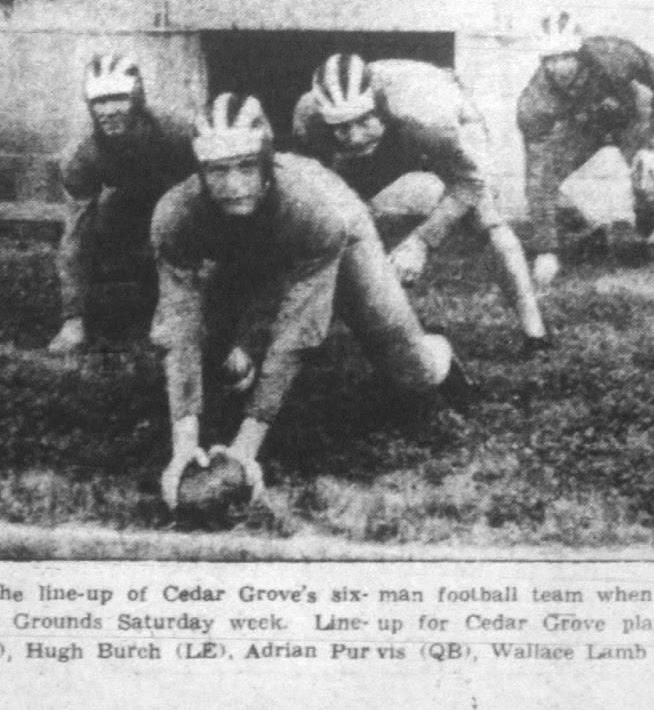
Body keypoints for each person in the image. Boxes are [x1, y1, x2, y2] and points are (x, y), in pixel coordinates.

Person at [154, 93, 470, 509]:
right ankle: (240, 368)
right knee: (204, 342)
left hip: (336, 230)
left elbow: (298, 333)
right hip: (251, 242)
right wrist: (184, 445)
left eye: (246, 167)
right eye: (217, 171)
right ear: (198, 171)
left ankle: (437, 351)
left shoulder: (314, 212)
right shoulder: (175, 214)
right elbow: (179, 326)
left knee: (412, 374)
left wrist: (245, 447)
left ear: (266, 162)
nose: (233, 186)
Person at [292, 53, 551, 352]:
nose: (355, 136)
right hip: (392, 133)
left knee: (487, 221)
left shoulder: (425, 115)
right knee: (333, 219)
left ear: (376, 102)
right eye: (342, 126)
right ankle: (324, 329)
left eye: (363, 120)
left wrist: (421, 241)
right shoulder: (309, 116)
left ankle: (536, 335)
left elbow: (470, 181)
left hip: (445, 123)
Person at [48, 53, 196, 353]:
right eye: (99, 101)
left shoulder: (180, 132)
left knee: (179, 224)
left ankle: (175, 305)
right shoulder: (82, 153)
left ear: (138, 99)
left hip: (182, 199)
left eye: (118, 98)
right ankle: (85, 315)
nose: (109, 111)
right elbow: (76, 235)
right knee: (89, 225)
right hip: (127, 202)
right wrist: (72, 318)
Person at [517, 12, 654, 284]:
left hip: (630, 118)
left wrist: (653, 146)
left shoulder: (614, 53)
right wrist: (546, 249)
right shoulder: (534, 102)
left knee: (647, 180)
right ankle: (585, 232)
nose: (559, 67)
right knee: (541, 181)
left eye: (566, 56)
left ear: (579, 53)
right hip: (585, 127)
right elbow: (537, 174)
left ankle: (646, 234)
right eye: (551, 60)